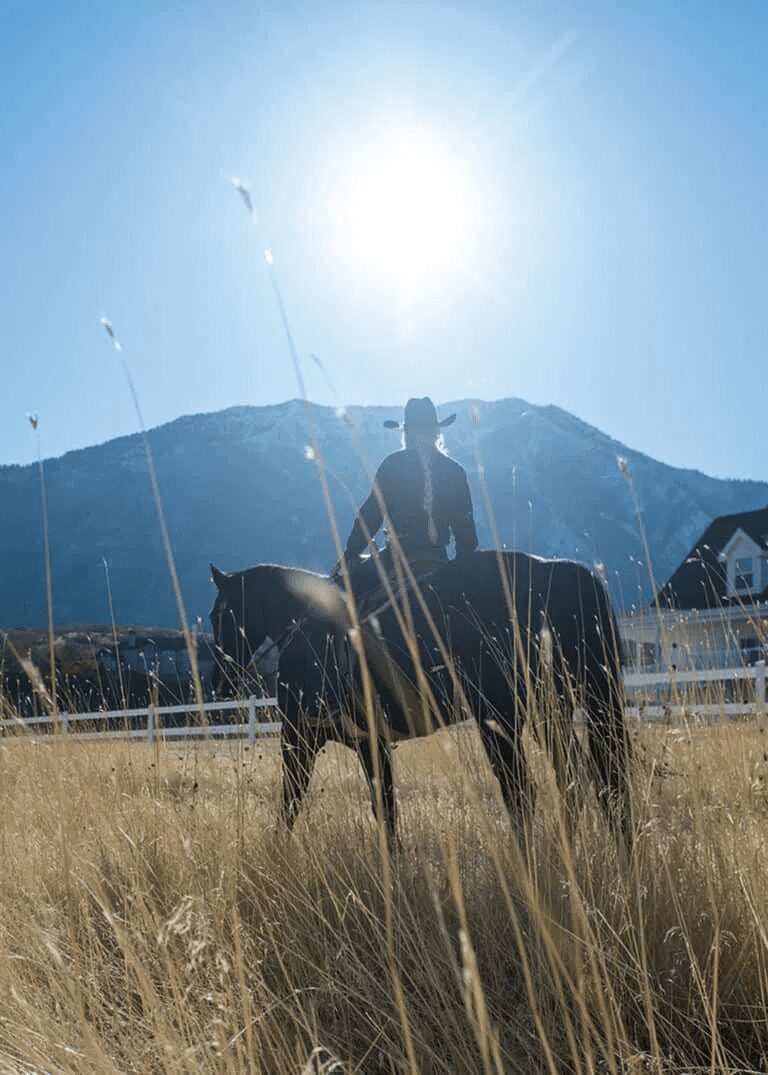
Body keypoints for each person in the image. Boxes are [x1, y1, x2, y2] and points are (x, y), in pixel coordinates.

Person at [335, 397, 478, 599]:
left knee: (339, 597)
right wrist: (463, 565)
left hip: (395, 559)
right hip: (438, 558)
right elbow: (466, 530)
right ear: (437, 432)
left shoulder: (393, 465)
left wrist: (352, 551)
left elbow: (371, 514)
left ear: (406, 433)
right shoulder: (454, 471)